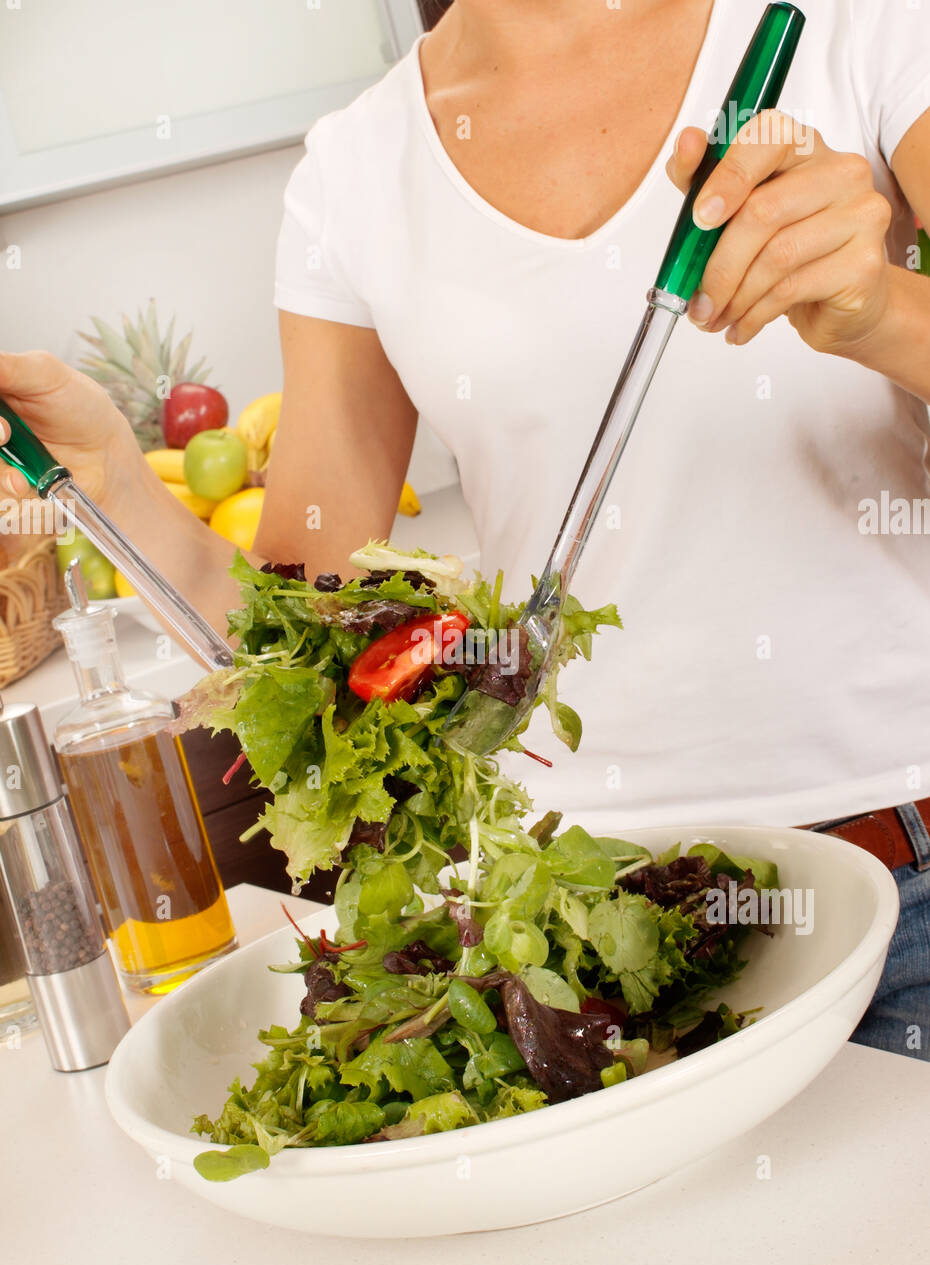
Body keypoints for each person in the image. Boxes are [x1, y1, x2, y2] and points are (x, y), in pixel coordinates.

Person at [1, 0, 929, 1057]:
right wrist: (116, 483)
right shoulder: (355, 173)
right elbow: (306, 636)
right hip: (570, 948)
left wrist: (879, 310)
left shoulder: (857, 24)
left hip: (898, 885)